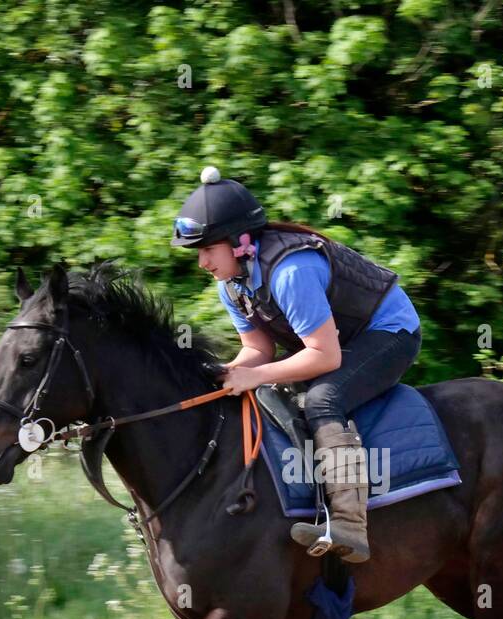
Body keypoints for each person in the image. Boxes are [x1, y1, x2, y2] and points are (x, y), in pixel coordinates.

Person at [171, 166, 422, 564]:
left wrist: (254, 375)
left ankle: (350, 525)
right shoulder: (231, 285)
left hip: (389, 333)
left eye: (207, 250)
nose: (202, 262)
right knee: (265, 391)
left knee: (323, 399)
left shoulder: (291, 272)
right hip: (337, 342)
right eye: (197, 252)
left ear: (239, 242)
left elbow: (326, 357)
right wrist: (226, 374)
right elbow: (258, 350)